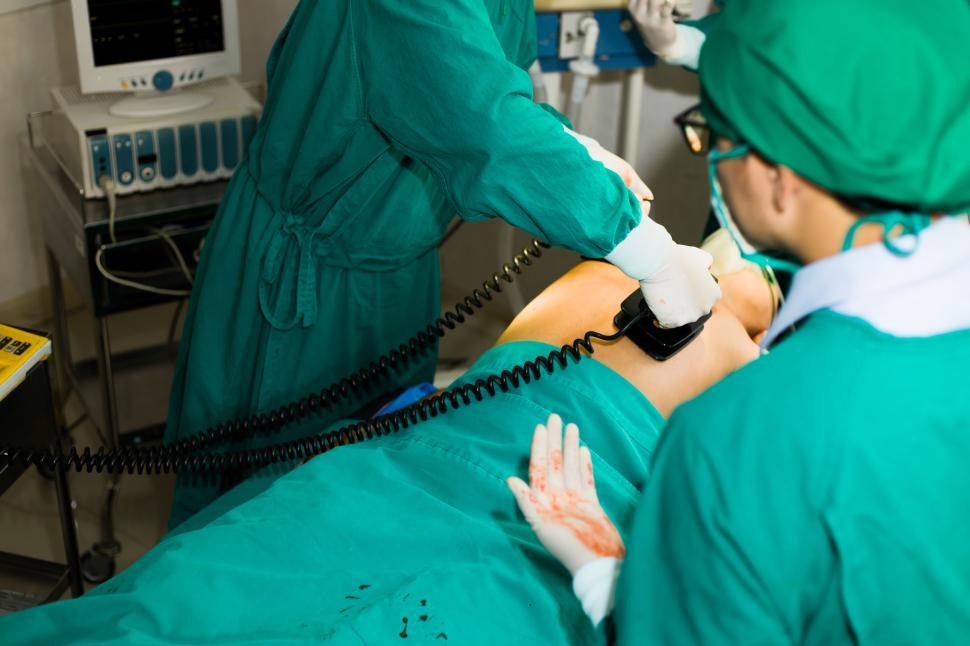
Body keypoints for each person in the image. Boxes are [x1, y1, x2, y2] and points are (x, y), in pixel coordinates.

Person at [0, 240, 771, 645]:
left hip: (539, 465)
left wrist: (606, 579)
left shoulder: (755, 367)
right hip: (463, 444)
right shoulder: (629, 286)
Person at [507, 0, 970, 641]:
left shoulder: (734, 442)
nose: (712, 160)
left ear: (780, 179)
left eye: (712, 136)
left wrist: (615, 586)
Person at [165, 0, 721, 528]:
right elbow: (482, 124)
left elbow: (478, 77)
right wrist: (648, 252)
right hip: (310, 277)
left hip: (397, 269)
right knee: (268, 506)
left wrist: (571, 147)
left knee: (368, 476)